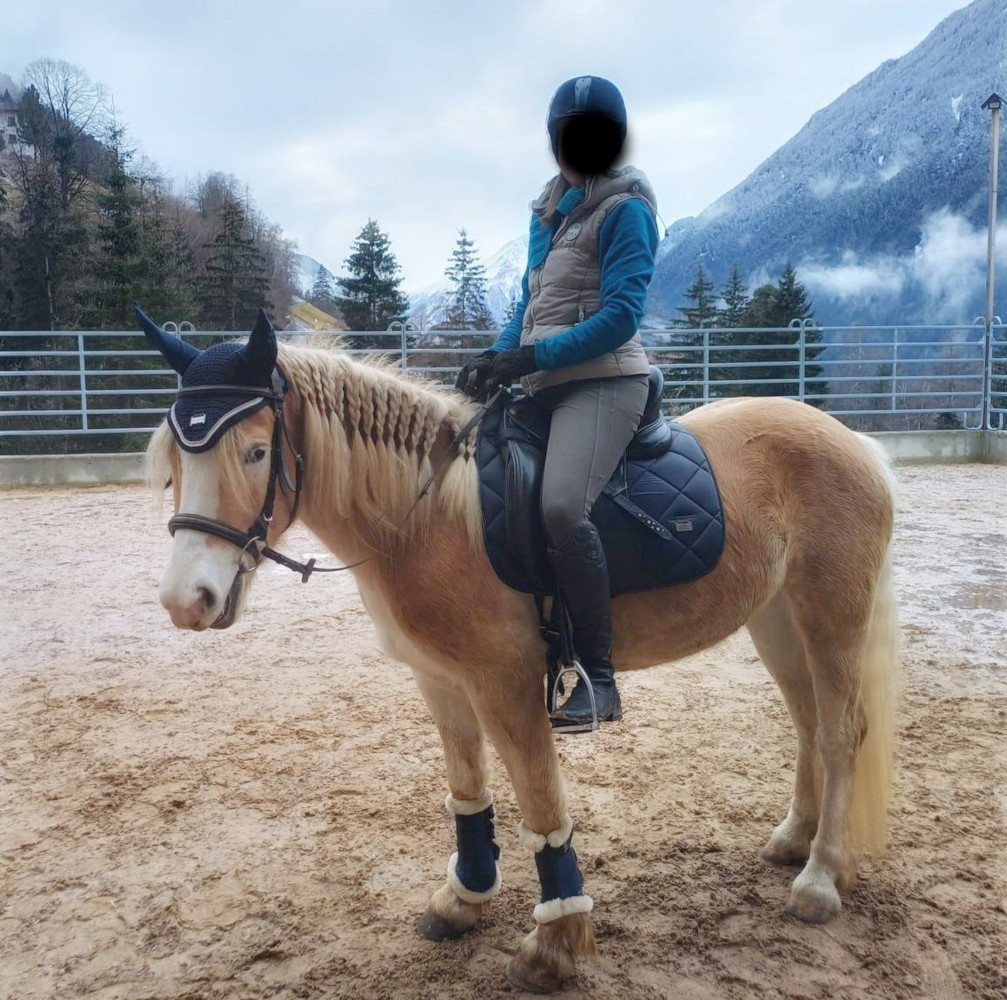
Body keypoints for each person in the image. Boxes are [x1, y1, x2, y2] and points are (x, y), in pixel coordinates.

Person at [456, 75, 659, 732]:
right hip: (545, 383)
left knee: (561, 503)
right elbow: (528, 306)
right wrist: (496, 357)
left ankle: (597, 678)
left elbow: (622, 316)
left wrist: (532, 358)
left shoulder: (626, 209)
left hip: (606, 382)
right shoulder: (546, 212)